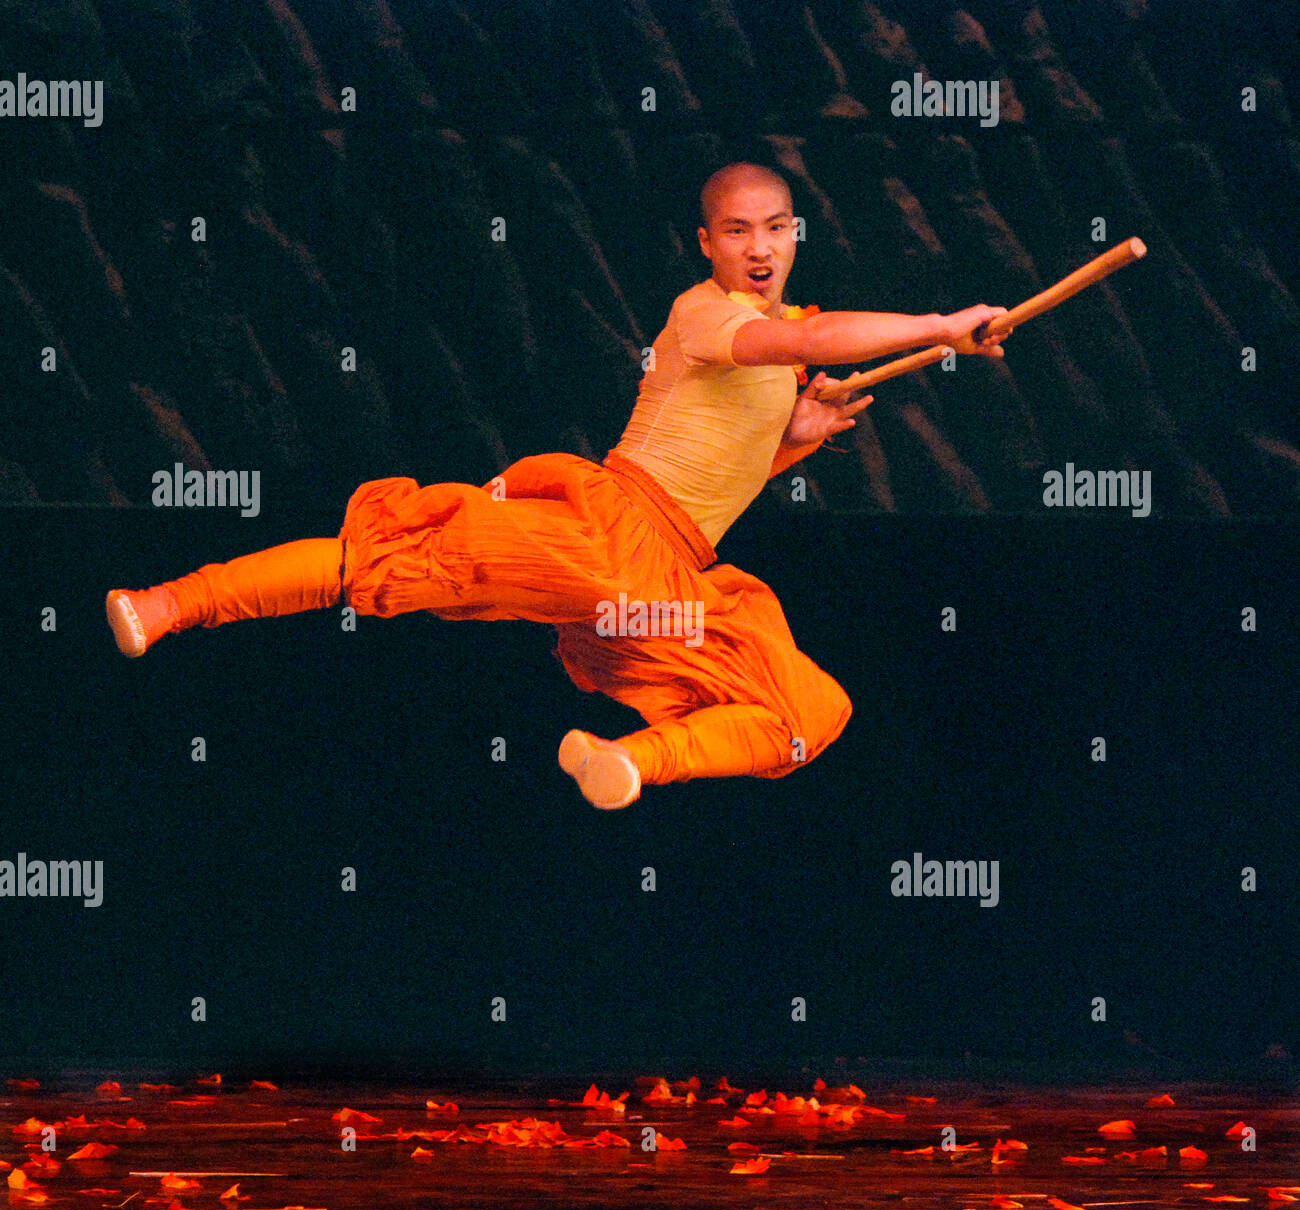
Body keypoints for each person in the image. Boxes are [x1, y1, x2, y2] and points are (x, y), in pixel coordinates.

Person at [107, 162, 1008, 810]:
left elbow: (725, 476)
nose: (760, 246)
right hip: (604, 533)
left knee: (813, 710)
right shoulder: (706, 315)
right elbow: (808, 345)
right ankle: (169, 603)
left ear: (795, 234)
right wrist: (942, 322)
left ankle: (628, 762)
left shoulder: (783, 341)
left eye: (775, 227)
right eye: (737, 231)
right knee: (386, 562)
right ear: (708, 243)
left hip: (664, 585)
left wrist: (796, 439)